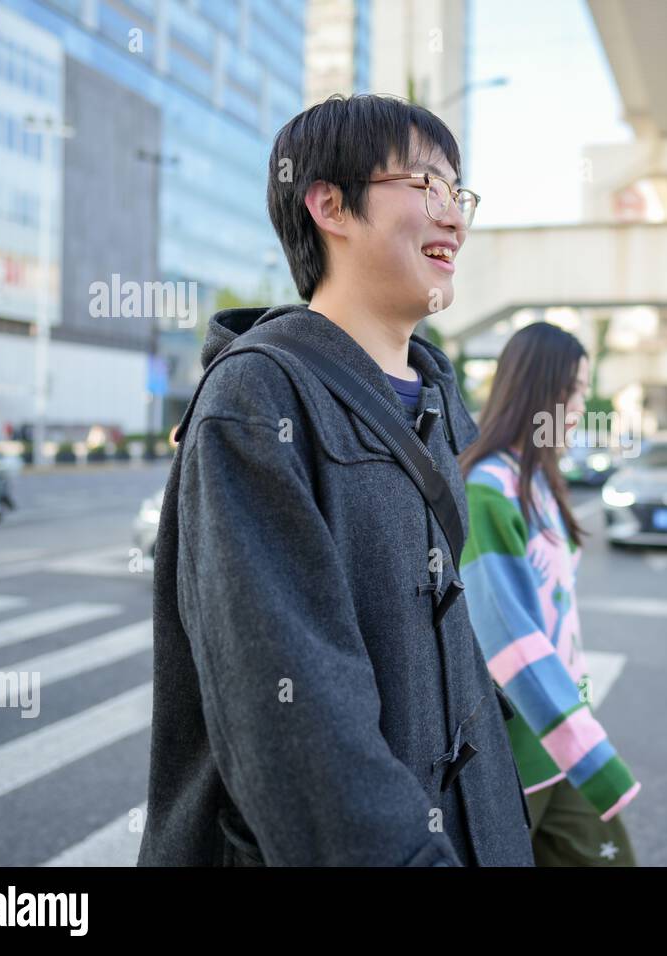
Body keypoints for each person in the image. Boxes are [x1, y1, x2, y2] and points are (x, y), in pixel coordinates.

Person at [138, 94, 534, 867]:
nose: (453, 216)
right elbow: (292, 716)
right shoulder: (258, 398)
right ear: (330, 204)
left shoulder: (441, 396)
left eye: (460, 194)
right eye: (425, 186)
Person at [460, 322, 641, 866]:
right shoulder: (487, 490)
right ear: (544, 392)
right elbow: (510, 640)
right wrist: (591, 752)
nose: (584, 405)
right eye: (577, 390)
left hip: (557, 736)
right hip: (517, 748)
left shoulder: (535, 480)